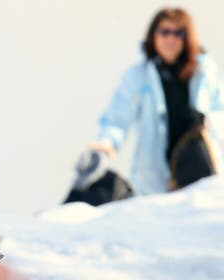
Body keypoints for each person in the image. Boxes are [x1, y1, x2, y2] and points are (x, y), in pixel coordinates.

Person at [91, 7, 224, 196]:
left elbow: (221, 112)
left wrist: (206, 121)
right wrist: (105, 145)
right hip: (154, 181)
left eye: (178, 33)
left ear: (187, 38)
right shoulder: (139, 76)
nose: (171, 39)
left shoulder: (205, 73)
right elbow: (117, 120)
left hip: (199, 176)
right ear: (153, 35)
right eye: (164, 32)